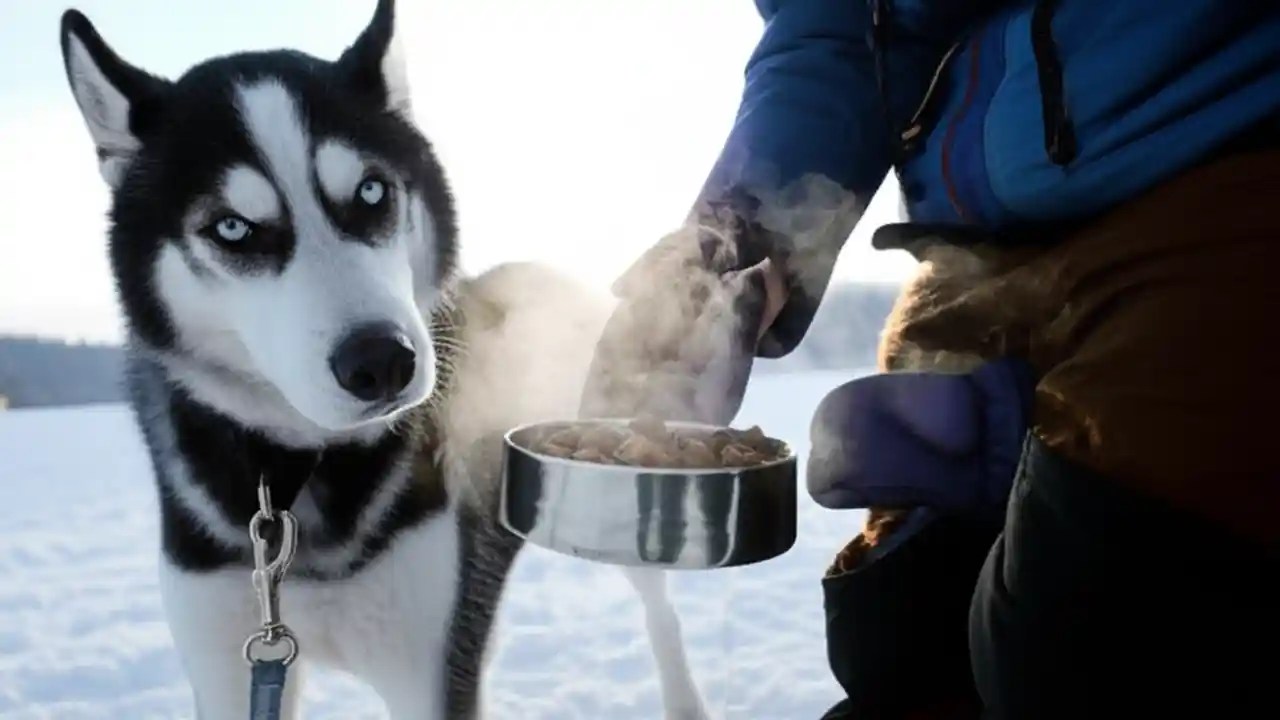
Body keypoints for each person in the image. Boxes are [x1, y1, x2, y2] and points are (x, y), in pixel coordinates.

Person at [585, 1, 1280, 717]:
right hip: (975, 253)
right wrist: (733, 239)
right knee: (895, 631)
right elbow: (838, 25)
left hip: (1224, 165)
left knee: (1092, 641)